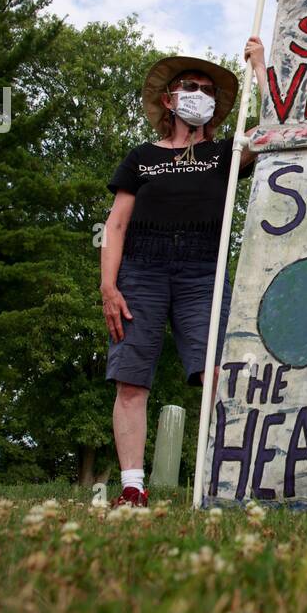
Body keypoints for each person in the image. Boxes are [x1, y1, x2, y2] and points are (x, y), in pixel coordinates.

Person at [101, 44, 264, 508]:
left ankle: (224, 480)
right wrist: (109, 287)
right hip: (141, 272)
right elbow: (115, 225)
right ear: (170, 100)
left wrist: (259, 66)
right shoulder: (140, 158)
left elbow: (276, 127)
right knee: (131, 380)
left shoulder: (224, 154)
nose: (200, 94)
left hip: (202, 271)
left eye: (208, 90)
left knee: (216, 373)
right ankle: (133, 488)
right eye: (190, 87)